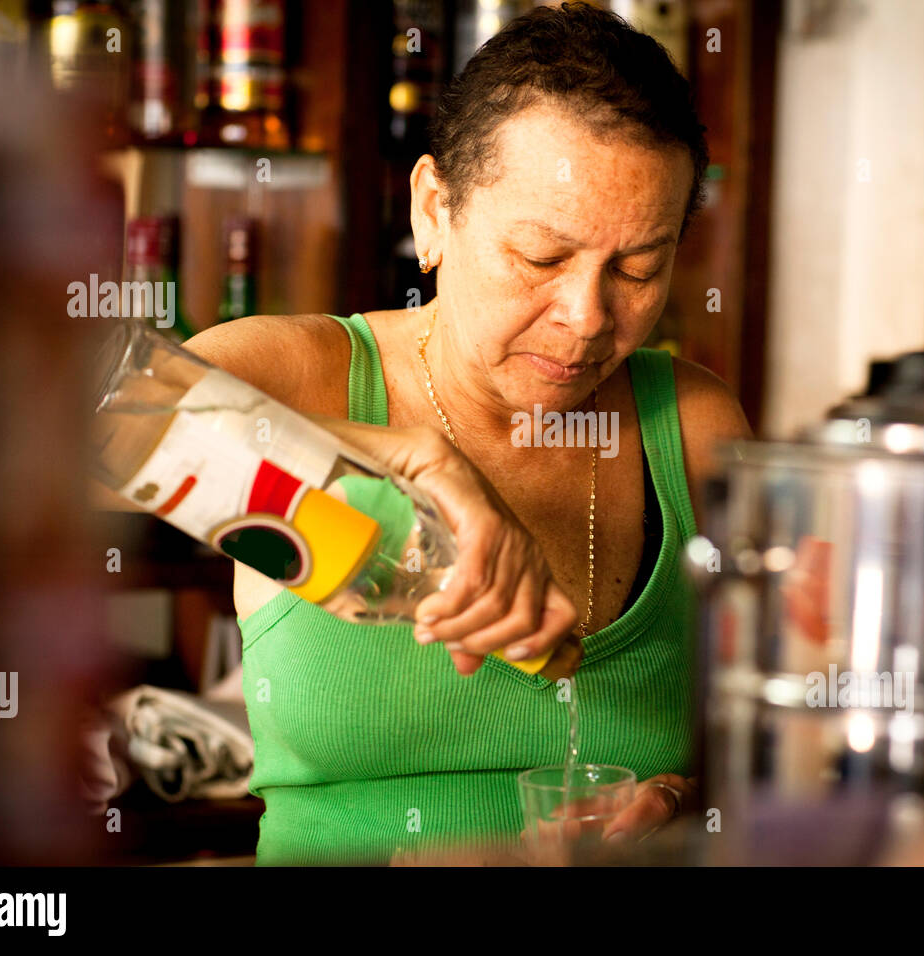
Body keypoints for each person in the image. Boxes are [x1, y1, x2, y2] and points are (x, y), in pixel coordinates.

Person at [184, 2, 750, 864]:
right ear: (433, 210)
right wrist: (409, 455)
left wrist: (681, 803)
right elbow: (79, 439)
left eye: (639, 268)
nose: (587, 317)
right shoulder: (298, 374)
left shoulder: (694, 426)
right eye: (541, 257)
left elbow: (775, 753)